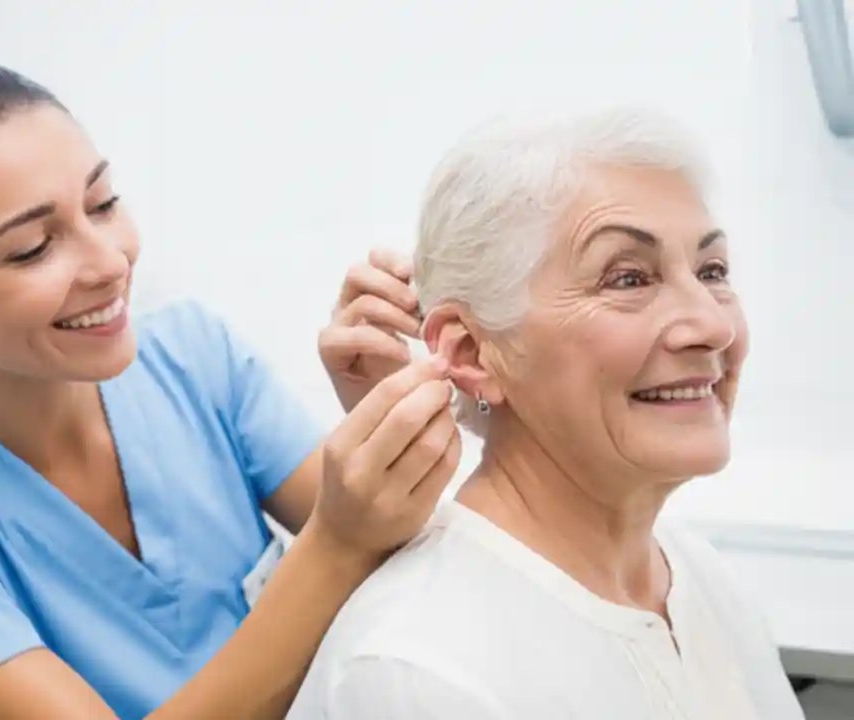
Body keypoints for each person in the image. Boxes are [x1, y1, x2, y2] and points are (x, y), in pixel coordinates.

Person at [0, 60, 462, 720]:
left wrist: (387, 414)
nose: (109, 261)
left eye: (103, 204)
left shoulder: (194, 356)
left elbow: (419, 574)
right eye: (33, 247)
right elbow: (350, 537)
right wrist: (337, 542)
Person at [287, 108, 806, 719]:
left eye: (712, 271)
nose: (714, 327)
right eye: (629, 278)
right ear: (473, 352)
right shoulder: (415, 673)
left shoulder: (697, 576)